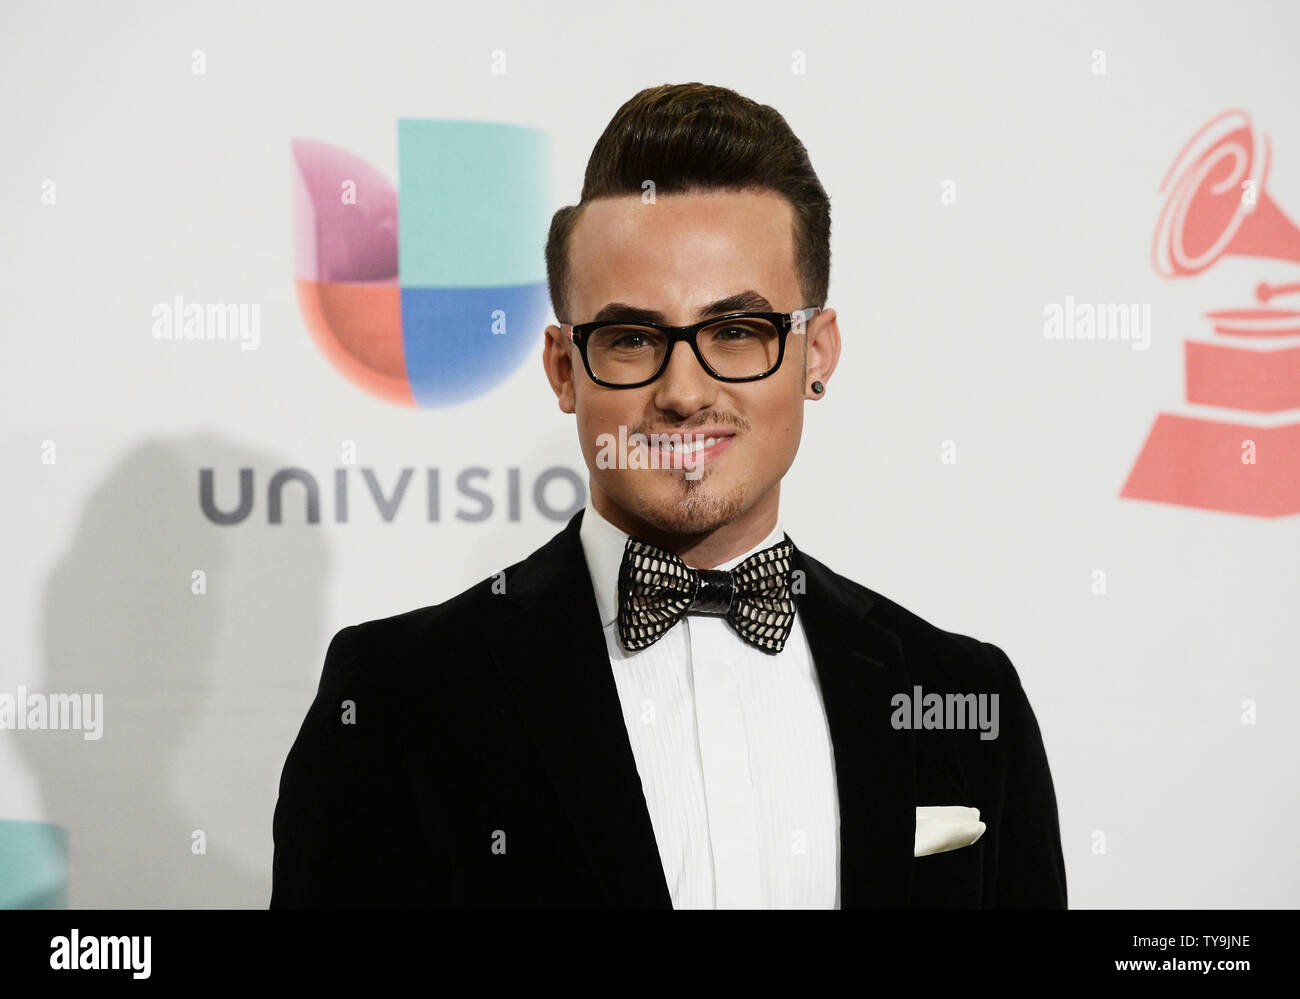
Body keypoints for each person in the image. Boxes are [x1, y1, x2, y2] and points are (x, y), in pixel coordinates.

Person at [270, 82, 1067, 909]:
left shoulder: (963, 693)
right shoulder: (399, 698)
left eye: (736, 331)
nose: (684, 391)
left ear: (817, 353)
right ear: (562, 370)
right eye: (631, 338)